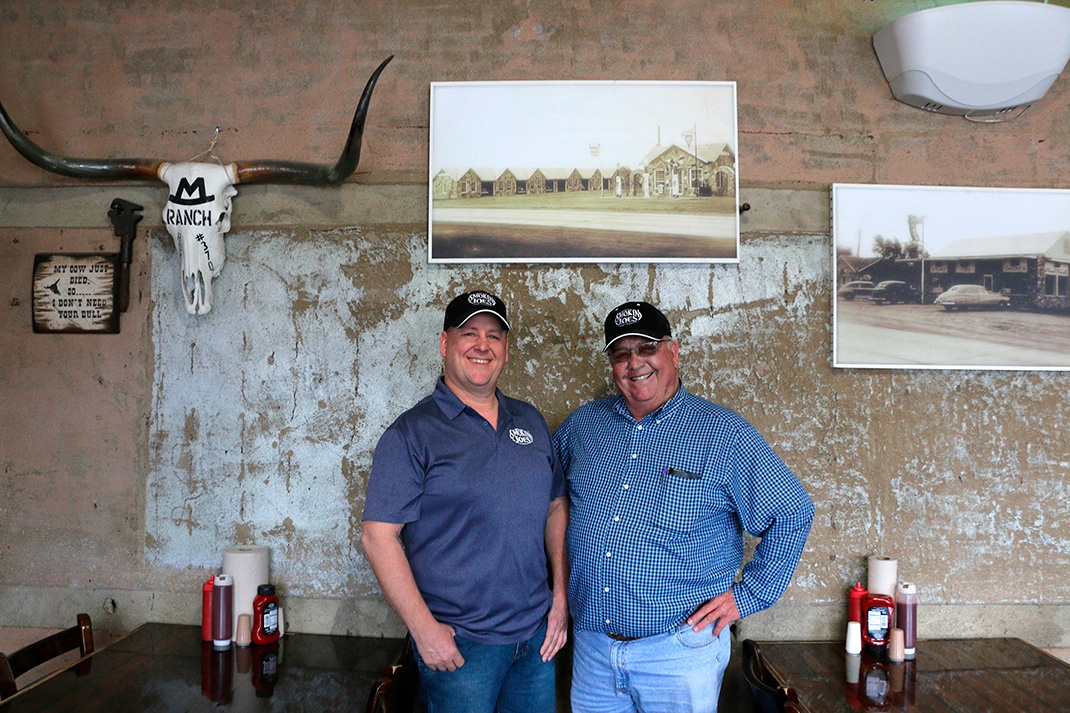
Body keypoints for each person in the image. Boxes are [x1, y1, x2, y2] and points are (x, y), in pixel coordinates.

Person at [553, 300, 814, 713]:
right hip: (593, 652)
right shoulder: (583, 427)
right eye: (621, 354)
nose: (634, 363)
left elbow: (792, 512)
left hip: (678, 654)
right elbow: (548, 500)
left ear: (672, 352)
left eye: (647, 349)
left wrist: (747, 596)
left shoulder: (722, 433)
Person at [362, 290, 568, 713]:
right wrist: (424, 632)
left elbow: (555, 506)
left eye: (494, 336)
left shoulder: (529, 421)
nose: (482, 345)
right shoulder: (411, 434)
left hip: (535, 642)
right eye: (469, 333)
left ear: (506, 350)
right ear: (444, 344)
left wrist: (560, 598)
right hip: (460, 649)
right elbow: (378, 537)